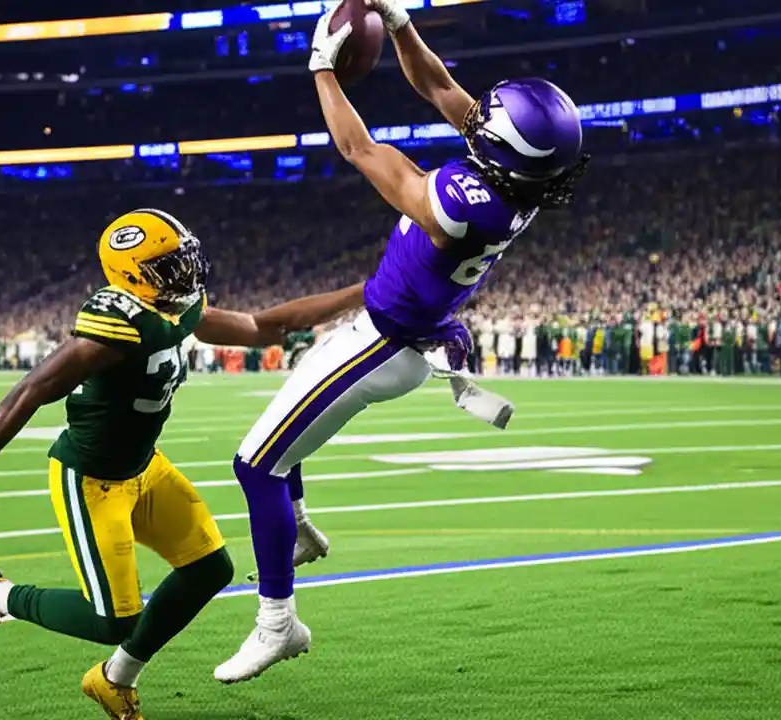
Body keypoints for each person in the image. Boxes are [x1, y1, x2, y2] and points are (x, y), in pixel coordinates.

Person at [214, 2, 587, 683]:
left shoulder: (464, 205)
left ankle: (278, 623)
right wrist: (402, 24)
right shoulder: (523, 182)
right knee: (282, 428)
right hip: (395, 332)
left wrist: (322, 69)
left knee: (255, 466)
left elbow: (359, 149)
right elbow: (440, 87)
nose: (476, 118)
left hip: (385, 347)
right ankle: (298, 529)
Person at [0, 209, 366, 720]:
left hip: (144, 468)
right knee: (113, 622)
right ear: (132, 276)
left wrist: (367, 293)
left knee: (208, 569)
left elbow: (264, 326)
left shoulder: (178, 308)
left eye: (181, 259)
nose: (183, 273)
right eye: (166, 266)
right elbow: (32, 389)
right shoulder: (114, 327)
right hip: (92, 479)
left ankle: (113, 680)